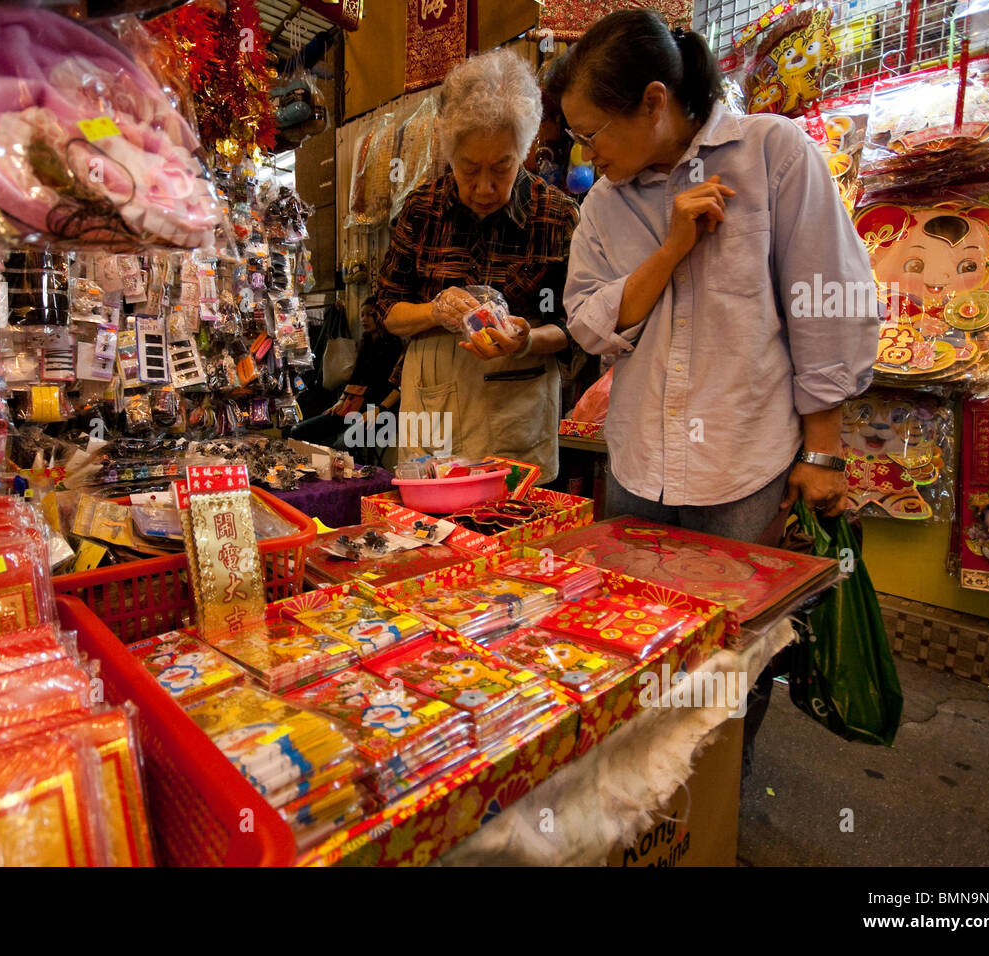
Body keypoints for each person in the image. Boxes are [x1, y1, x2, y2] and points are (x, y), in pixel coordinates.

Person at [545, 11, 878, 772]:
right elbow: (589, 324)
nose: (587, 154)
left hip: (742, 467)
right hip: (638, 466)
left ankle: (720, 795)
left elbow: (827, 303)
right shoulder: (603, 205)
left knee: (736, 654)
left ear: (655, 102)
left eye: (595, 132)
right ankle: (643, 796)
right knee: (633, 641)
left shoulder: (773, 154)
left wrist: (822, 455)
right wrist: (669, 250)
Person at [374, 49, 580, 482]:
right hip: (432, 400)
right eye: (468, 168)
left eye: (502, 167)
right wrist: (434, 311)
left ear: (523, 151)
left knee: (517, 531)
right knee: (430, 533)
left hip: (517, 403)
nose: (484, 187)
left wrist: (525, 338)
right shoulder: (422, 209)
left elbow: (575, 326)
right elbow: (385, 312)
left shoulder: (556, 215)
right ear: (450, 152)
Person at [290, 296, 402, 455]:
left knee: (340, 446)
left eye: (369, 314)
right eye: (362, 315)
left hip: (381, 411)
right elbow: (355, 377)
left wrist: (379, 409)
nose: (364, 319)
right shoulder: (366, 343)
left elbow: (397, 386)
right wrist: (340, 401)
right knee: (298, 431)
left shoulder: (394, 345)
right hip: (356, 406)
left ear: (381, 317)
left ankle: (336, 470)